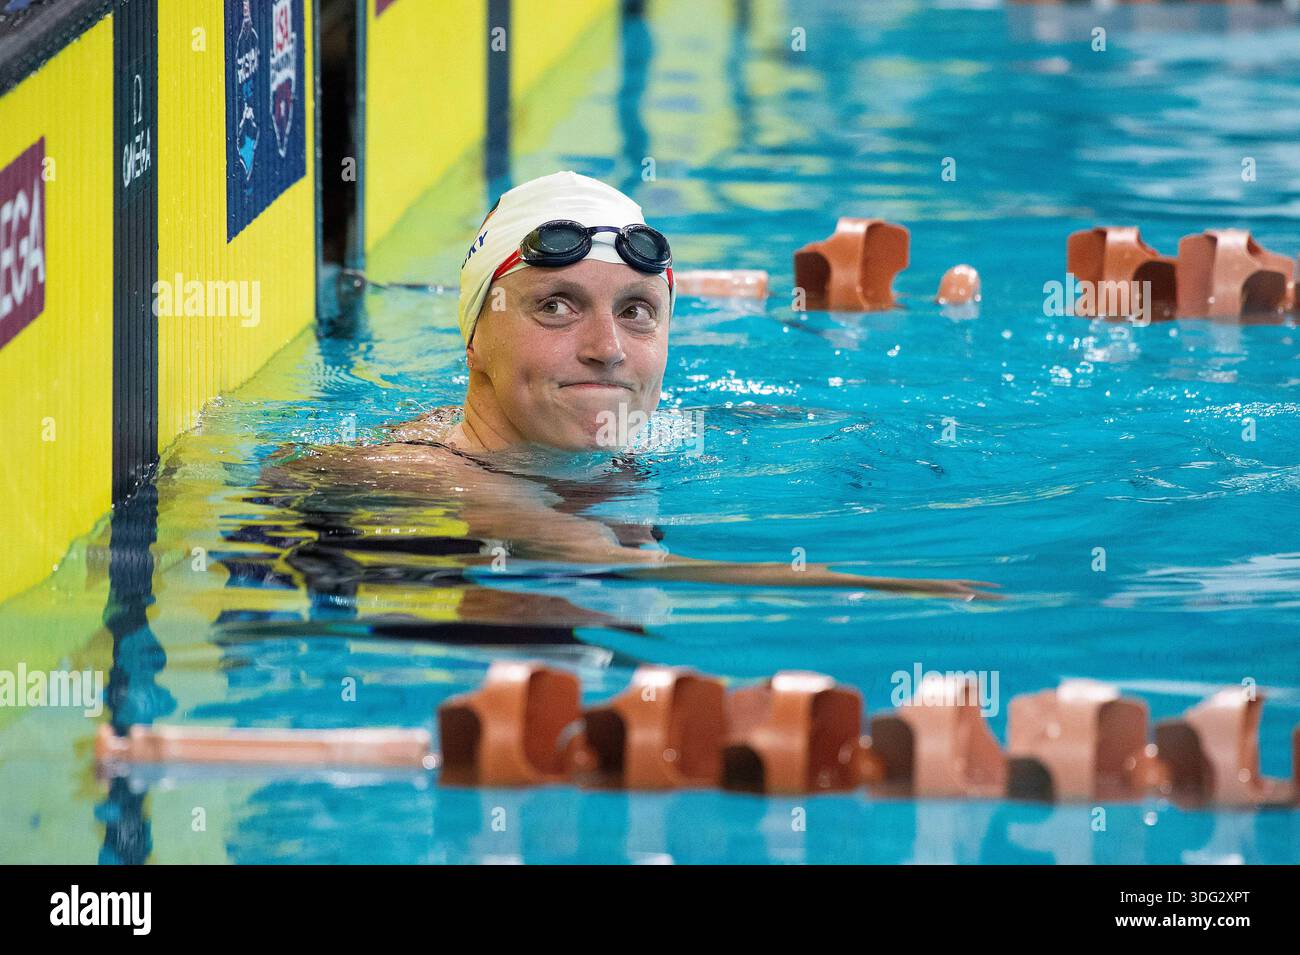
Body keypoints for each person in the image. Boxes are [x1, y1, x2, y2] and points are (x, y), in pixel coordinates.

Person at [270, 171, 995, 602]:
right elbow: (624, 565)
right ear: (474, 340)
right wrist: (911, 592)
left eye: (636, 311)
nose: (606, 349)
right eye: (556, 305)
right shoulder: (438, 475)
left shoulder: (650, 439)